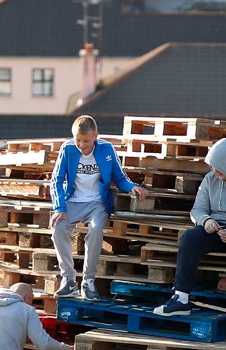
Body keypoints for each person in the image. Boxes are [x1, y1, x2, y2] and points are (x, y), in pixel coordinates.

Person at [153, 138, 226, 346]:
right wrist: (205, 220)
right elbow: (197, 210)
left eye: (219, 168)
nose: (215, 172)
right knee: (190, 238)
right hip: (215, 228)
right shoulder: (209, 179)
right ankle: (181, 297)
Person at [49, 115, 150, 299]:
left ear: (96, 136)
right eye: (78, 140)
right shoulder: (68, 149)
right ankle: (69, 280)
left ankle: (88, 281)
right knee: (57, 228)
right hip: (72, 201)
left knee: (96, 231)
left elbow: (119, 178)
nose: (81, 145)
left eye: (86, 140)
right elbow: (56, 180)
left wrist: (132, 187)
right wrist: (59, 208)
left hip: (97, 202)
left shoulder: (107, 149)